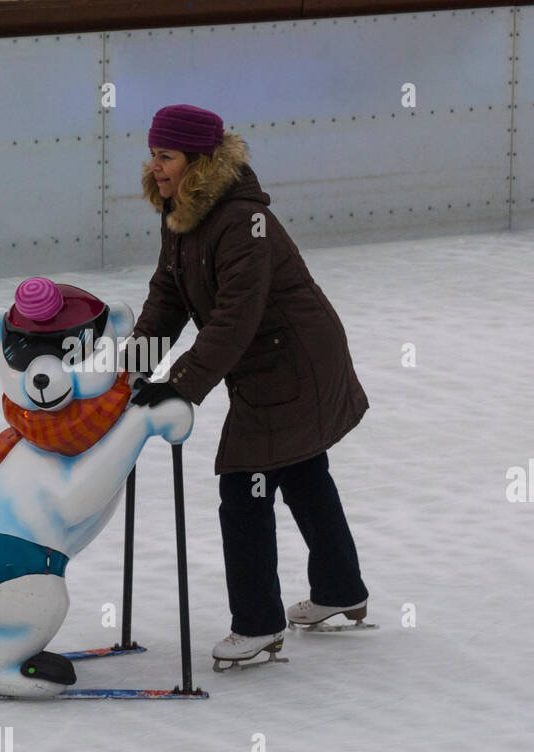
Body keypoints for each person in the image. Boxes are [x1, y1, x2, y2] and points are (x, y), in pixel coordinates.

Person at [128, 104, 370, 665]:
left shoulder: (240, 220)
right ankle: (340, 589)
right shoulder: (182, 212)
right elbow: (167, 298)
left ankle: (258, 623)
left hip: (293, 362)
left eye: (165, 155)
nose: (155, 166)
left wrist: (182, 383)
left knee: (244, 487)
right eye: (153, 154)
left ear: (199, 160)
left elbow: (235, 314)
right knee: (303, 470)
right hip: (273, 359)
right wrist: (130, 371)